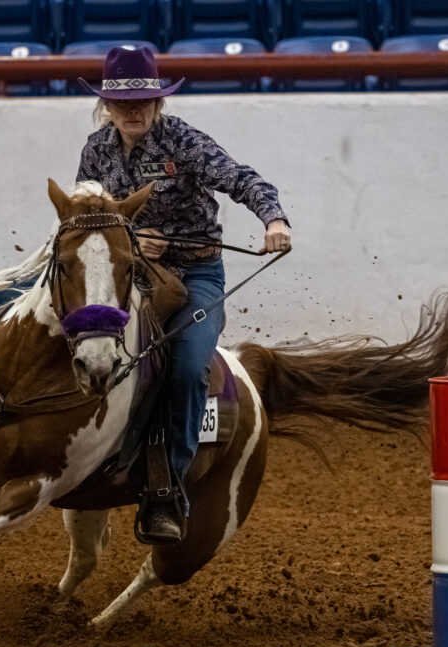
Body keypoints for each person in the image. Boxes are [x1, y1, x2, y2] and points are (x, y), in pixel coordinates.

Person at [76, 46, 292, 543]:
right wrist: (131, 241)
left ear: (158, 104)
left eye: (144, 101)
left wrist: (273, 218)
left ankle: (168, 490)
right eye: (121, 103)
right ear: (106, 106)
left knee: (189, 364)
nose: (133, 111)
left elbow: (242, 180)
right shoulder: (95, 151)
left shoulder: (185, 142)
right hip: (131, 274)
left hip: (196, 275)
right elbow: (89, 224)